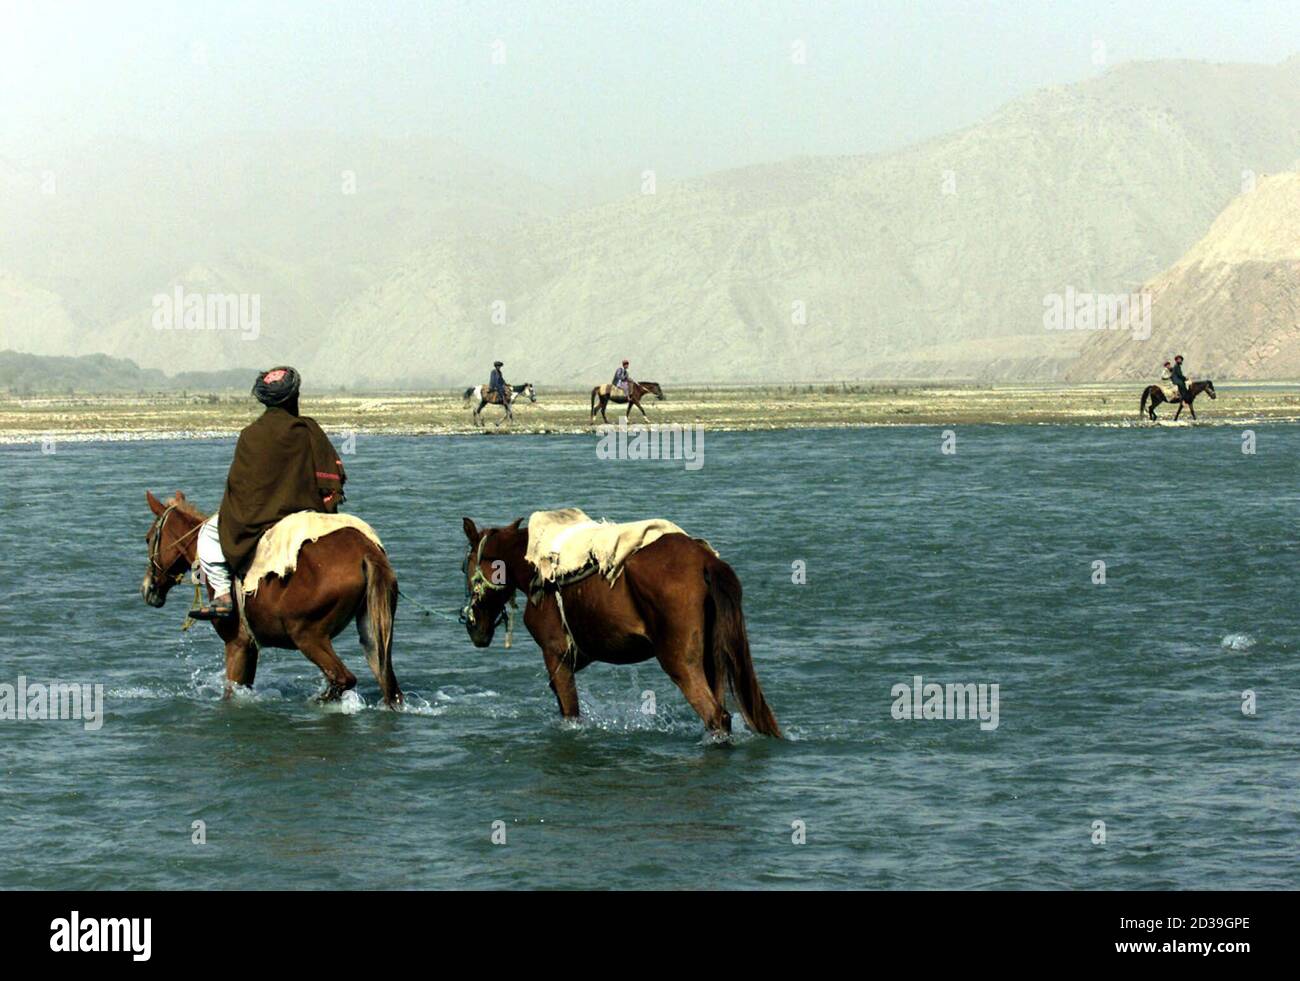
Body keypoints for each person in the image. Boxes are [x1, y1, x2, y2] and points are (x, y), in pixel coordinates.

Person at [192, 367, 347, 619]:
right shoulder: (308, 430)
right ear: (295, 397)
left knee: (208, 533)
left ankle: (222, 595)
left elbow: (239, 489)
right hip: (307, 512)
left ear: (265, 399)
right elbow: (329, 479)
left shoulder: (249, 435)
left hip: (262, 518)